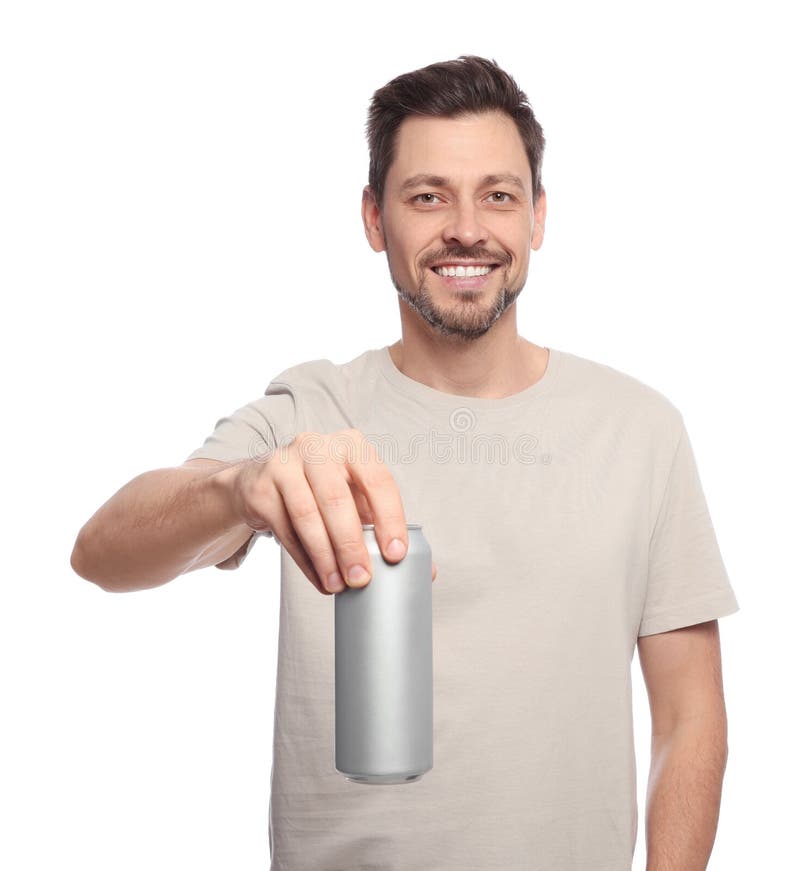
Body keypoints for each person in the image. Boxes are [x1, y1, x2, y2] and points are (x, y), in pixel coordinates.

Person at [71, 55, 740, 871]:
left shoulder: (642, 429)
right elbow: (101, 553)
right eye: (428, 197)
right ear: (373, 219)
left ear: (537, 217)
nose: (466, 228)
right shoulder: (311, 413)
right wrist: (240, 488)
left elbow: (689, 713)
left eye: (498, 194)